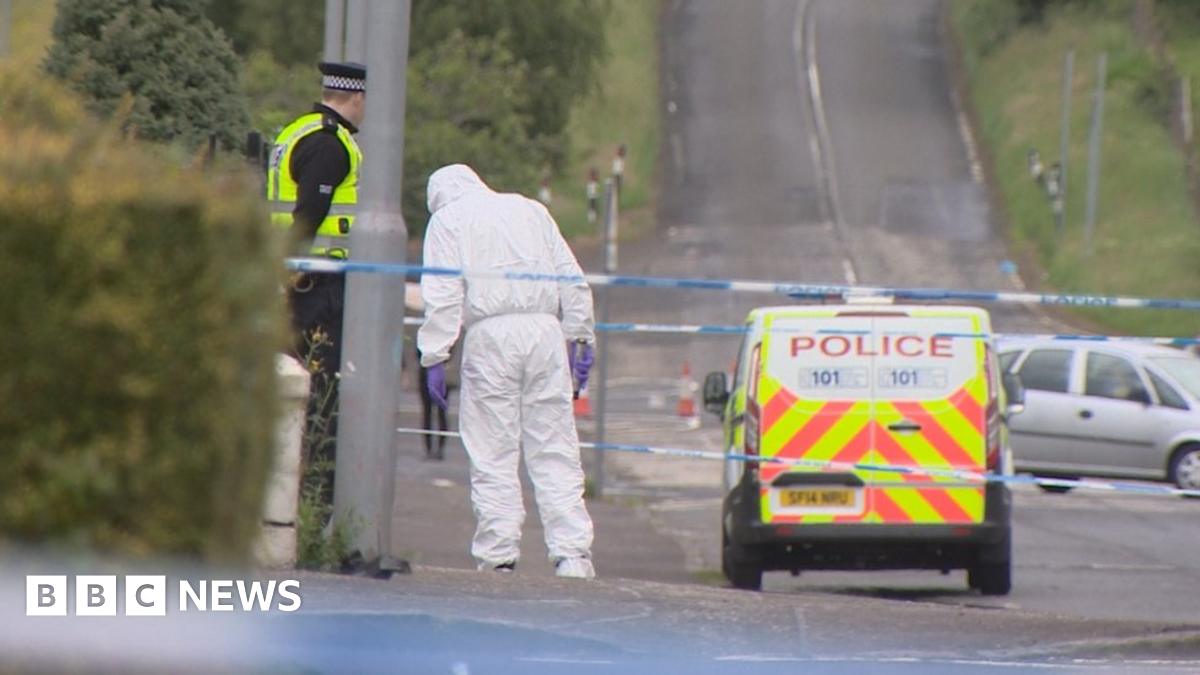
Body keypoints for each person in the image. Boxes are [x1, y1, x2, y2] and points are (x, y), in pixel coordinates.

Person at [418, 164, 598, 579]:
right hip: (545, 333)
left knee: (492, 451)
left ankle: (498, 556)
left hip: (490, 337)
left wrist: (434, 355)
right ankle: (573, 555)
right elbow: (572, 278)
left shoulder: (447, 221)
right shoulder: (530, 210)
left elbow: (443, 294)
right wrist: (581, 337)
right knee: (554, 445)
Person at [267, 61, 366, 499]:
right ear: (357, 98)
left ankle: (291, 502)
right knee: (321, 398)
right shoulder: (329, 145)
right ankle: (313, 505)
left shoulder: (297, 131)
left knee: (290, 392)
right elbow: (308, 216)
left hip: (298, 286)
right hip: (317, 288)